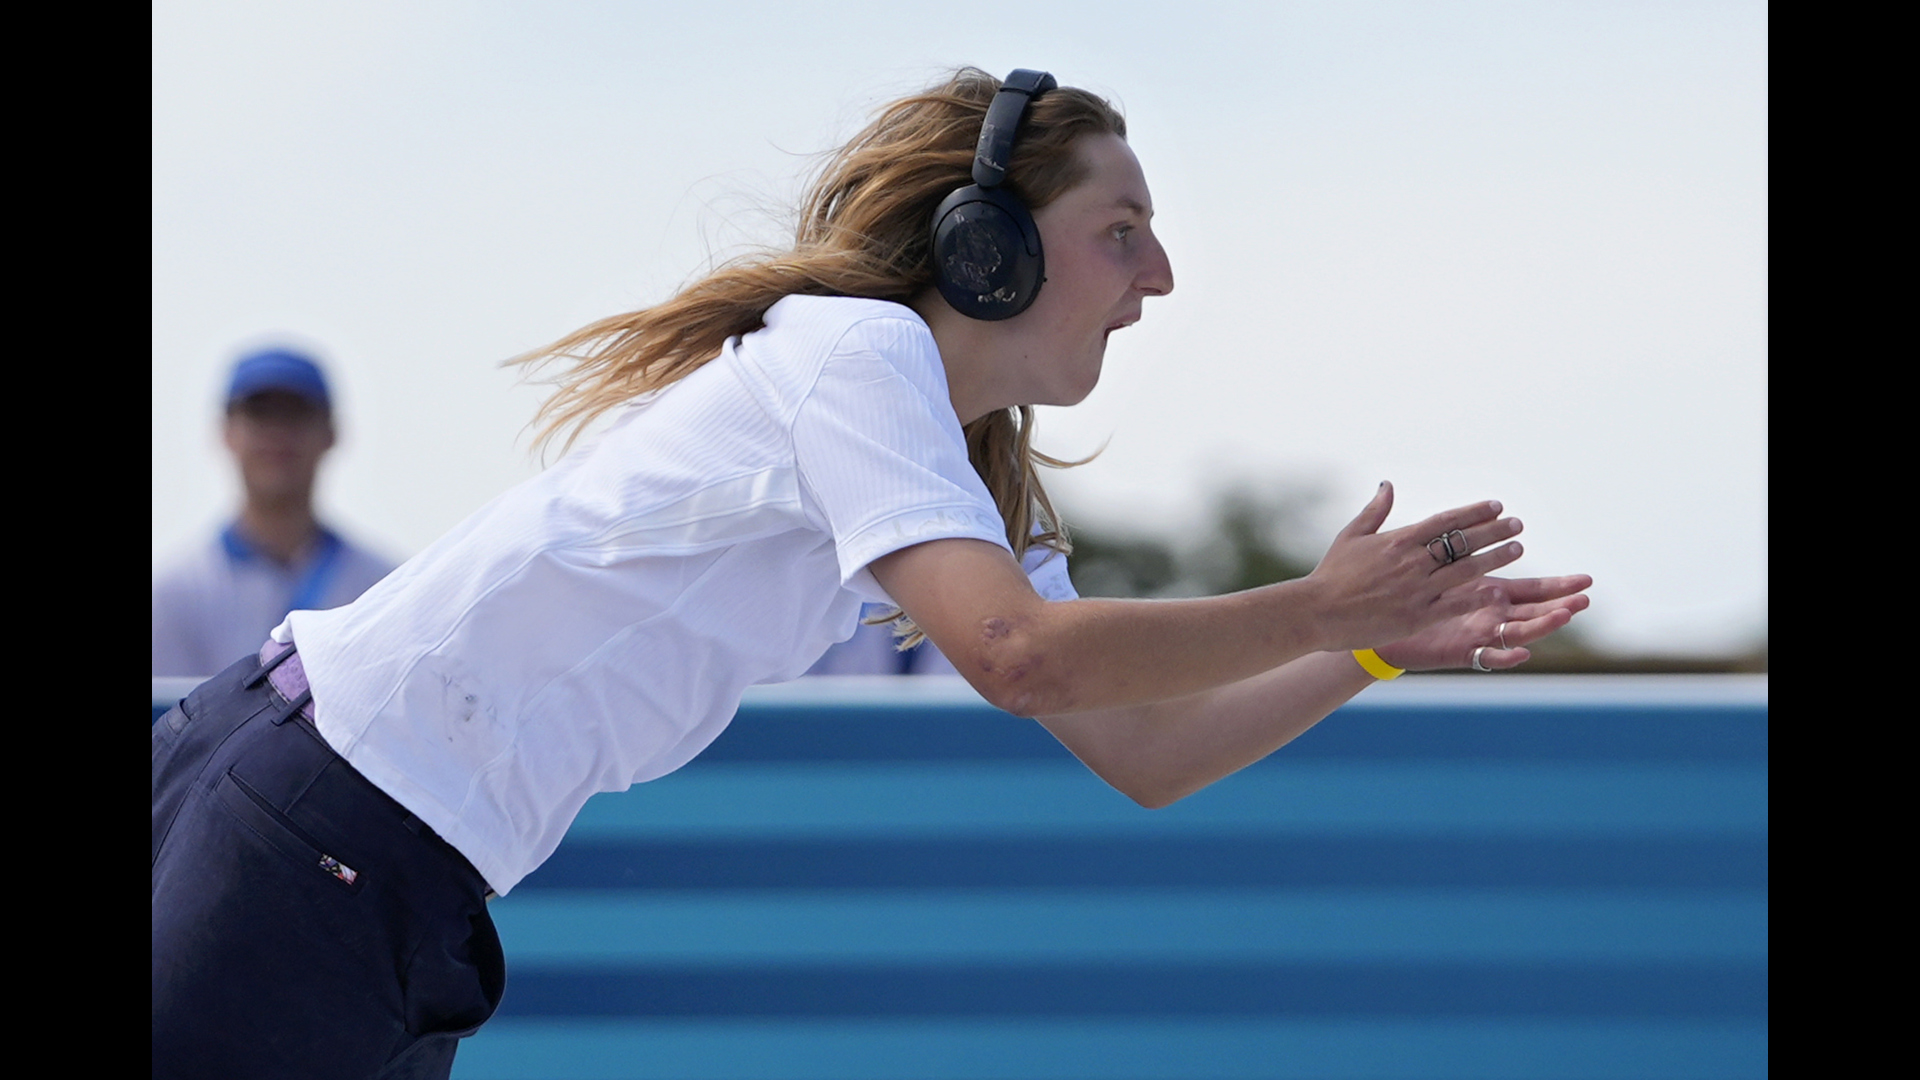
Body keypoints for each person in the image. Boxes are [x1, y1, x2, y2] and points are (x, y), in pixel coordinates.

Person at [153, 68, 1591, 1078]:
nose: (1159, 278)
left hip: (371, 850)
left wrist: (1378, 646)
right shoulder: (859, 353)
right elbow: (1019, 659)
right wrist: (1320, 601)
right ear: (989, 250)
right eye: (1122, 230)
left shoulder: (950, 472)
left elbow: (1143, 752)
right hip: (321, 820)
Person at [152, 347, 395, 677]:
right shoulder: (173, 597)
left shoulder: (381, 592)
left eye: (296, 413)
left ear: (331, 433)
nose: (277, 433)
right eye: (259, 413)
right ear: (226, 433)